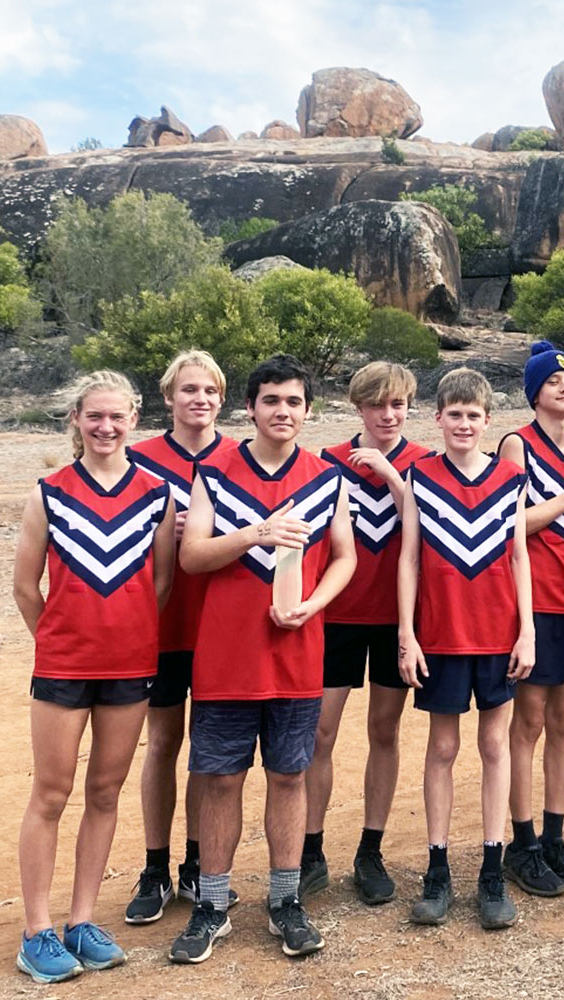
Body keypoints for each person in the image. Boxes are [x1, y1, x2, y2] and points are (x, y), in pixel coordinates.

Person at [168, 355, 356, 964]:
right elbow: (192, 556)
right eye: (271, 400)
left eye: (294, 402)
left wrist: (313, 603)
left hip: (297, 653)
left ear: (307, 410)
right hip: (226, 658)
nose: (283, 412)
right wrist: (255, 533)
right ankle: (213, 905)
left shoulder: (325, 476)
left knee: (289, 775)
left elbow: (345, 557)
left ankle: (284, 899)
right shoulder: (215, 473)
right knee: (220, 779)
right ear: (249, 407)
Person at [12, 371, 174, 983]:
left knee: (105, 792)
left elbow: (159, 583)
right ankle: (37, 930)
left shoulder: (157, 494)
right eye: (94, 417)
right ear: (76, 420)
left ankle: (82, 919)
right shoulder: (49, 493)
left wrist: (123, 633)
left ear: (134, 418)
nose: (106, 427)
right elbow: (27, 588)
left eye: (117, 416)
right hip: (63, 666)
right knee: (51, 794)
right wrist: (59, 640)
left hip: (131, 665)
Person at [398, 367, 535, 930]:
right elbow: (408, 557)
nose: (463, 423)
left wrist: (527, 630)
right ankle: (438, 869)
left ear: (486, 421)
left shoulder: (509, 478)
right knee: (443, 749)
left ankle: (492, 869)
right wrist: (406, 633)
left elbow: (520, 556)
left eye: (473, 415)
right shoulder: (419, 476)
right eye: (453, 414)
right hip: (442, 635)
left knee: (496, 746)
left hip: (499, 633)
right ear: (438, 418)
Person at [302, 361, 431, 904]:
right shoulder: (325, 462)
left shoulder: (424, 463)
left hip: (394, 619)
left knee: (385, 731)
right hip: (335, 619)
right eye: (377, 404)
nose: (388, 414)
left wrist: (391, 474)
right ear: (358, 407)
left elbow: (430, 530)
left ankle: (370, 850)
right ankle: (309, 850)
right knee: (319, 735)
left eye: (397, 404)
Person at [123, 350, 237, 924]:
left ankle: (197, 863)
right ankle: (154, 866)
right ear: (168, 397)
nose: (200, 400)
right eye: (189, 390)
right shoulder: (138, 460)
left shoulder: (241, 458)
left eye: (210, 391)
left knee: (209, 754)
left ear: (222, 398)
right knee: (162, 743)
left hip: (221, 626)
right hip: (162, 623)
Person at [497, 342, 564, 897]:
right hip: (533, 601)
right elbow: (510, 521)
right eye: (554, 380)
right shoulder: (518, 443)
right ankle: (523, 841)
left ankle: (554, 834)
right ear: (534, 390)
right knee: (528, 723)